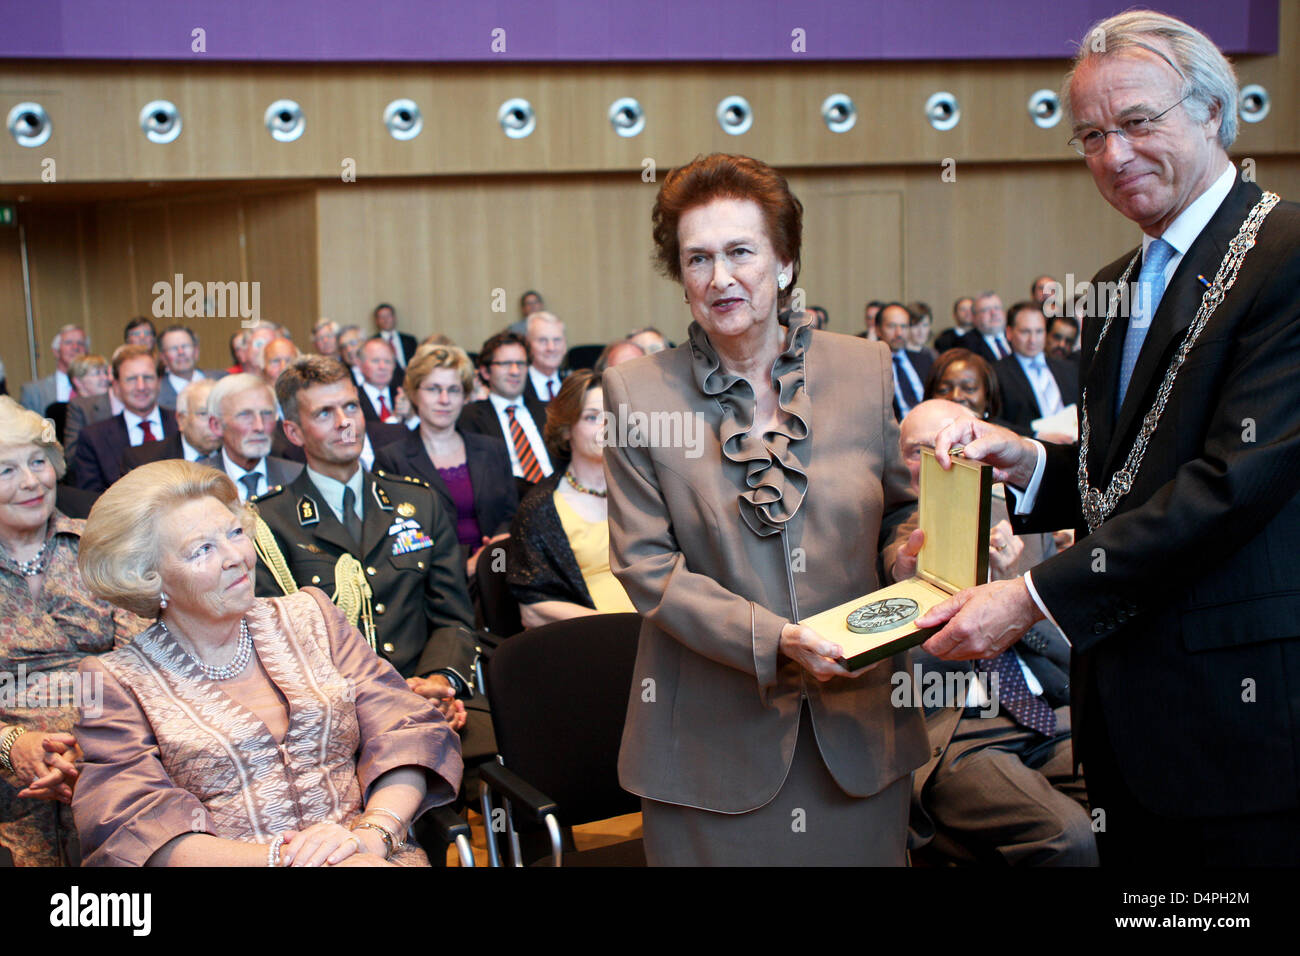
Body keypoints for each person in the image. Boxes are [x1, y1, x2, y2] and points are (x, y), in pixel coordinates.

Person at [922, 10, 1300, 866]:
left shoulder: (1286, 253)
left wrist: (1030, 598)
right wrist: (1026, 467)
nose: (1114, 155)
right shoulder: (1115, 285)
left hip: (1240, 723)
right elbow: (1123, 476)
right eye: (1090, 134)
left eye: (1137, 122)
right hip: (1123, 715)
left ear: (1213, 111)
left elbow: (1230, 485)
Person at [604, 153, 928, 865]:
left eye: (740, 252)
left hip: (859, 730)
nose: (720, 278)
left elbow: (899, 516)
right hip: (709, 749)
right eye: (698, 259)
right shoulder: (638, 394)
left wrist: (912, 555)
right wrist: (772, 639)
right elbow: (646, 568)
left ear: (784, 263)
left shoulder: (865, 369)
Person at [71, 460, 461, 866]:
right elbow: (132, 827)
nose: (236, 557)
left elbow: (405, 729)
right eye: (202, 549)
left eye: (235, 533)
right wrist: (288, 859)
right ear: (148, 577)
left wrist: (373, 832)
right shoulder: (116, 680)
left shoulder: (313, 616)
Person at [899, 400, 1093, 866]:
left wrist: (1015, 594)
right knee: (1071, 837)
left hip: (1049, 714)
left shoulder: (1025, 521)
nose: (938, 457)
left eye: (950, 441)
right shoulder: (899, 537)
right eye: (916, 450)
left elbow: (1069, 648)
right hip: (963, 729)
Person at [250, 357, 482, 742]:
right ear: (293, 431)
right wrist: (383, 698)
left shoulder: (418, 503)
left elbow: (453, 616)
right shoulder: (270, 522)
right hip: (334, 718)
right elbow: (280, 647)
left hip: (428, 699)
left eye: (351, 407)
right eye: (324, 413)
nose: (345, 422)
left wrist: (437, 681)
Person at [0, 398, 145, 866]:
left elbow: (143, 659)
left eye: (38, 462)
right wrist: (11, 746)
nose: (30, 482)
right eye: (6, 470)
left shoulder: (99, 546)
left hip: (115, 752)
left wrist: (92, 743)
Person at [374, 345, 516, 577]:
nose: (444, 400)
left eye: (453, 390)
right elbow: (397, 536)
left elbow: (511, 514)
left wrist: (496, 548)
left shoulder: (493, 449)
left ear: (465, 396)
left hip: (497, 572)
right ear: (414, 393)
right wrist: (463, 565)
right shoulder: (392, 459)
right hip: (431, 580)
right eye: (433, 389)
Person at [508, 370, 634, 628]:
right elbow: (533, 609)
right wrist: (617, 625)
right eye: (591, 417)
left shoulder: (640, 490)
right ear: (566, 429)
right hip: (594, 640)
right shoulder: (540, 508)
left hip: (661, 630)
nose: (605, 426)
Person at [458, 331, 553, 498]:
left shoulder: (550, 411)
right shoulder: (469, 417)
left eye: (520, 363)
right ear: (485, 372)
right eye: (506, 364)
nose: (515, 371)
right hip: (510, 504)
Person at [71, 345, 177, 494]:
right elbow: (90, 501)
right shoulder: (94, 438)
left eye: (148, 377)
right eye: (131, 379)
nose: (141, 387)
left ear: (159, 381)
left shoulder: (182, 424)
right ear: (116, 386)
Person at [198, 373, 302, 501]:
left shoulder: (297, 476)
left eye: (267, 413)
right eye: (245, 415)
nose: (259, 426)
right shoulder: (196, 483)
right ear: (216, 425)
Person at [995, 301, 1079, 435]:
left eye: (1039, 331)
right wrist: (1035, 435)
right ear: (1009, 333)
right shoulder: (996, 373)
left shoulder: (1068, 369)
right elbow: (993, 422)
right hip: (1030, 449)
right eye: (1025, 332)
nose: (1033, 340)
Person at [121, 378, 221, 470]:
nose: (213, 424)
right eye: (203, 414)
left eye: (218, 414)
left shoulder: (234, 455)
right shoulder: (144, 462)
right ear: (181, 420)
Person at [877, 302, 932, 420]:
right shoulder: (871, 365)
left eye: (904, 326)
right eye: (891, 326)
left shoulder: (924, 359)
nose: (899, 333)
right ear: (878, 330)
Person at [21, 325, 87, 414]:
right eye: (68, 342)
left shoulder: (99, 389)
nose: (75, 347)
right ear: (56, 351)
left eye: (80, 343)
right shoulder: (33, 391)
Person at [157, 325, 224, 409]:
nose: (181, 352)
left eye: (185, 346)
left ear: (196, 351)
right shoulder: (157, 394)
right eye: (173, 348)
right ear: (163, 357)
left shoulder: (223, 380)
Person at [523, 312, 567, 407]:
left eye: (557, 340)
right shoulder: (517, 387)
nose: (551, 348)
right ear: (528, 344)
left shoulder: (573, 387)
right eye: (542, 340)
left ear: (565, 345)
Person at [958, 292, 1012, 365]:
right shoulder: (965, 344)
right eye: (986, 310)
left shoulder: (1016, 336)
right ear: (974, 317)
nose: (994, 313)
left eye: (997, 308)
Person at [374, 303, 416, 369]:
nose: (385, 320)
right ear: (377, 321)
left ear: (394, 318)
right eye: (381, 317)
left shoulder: (410, 340)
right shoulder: (373, 342)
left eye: (388, 316)